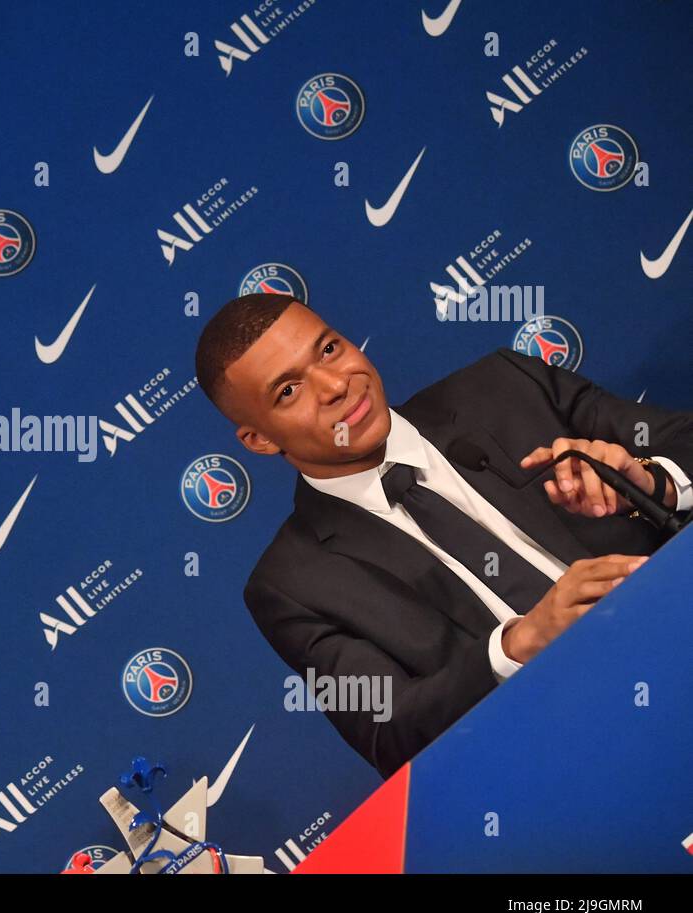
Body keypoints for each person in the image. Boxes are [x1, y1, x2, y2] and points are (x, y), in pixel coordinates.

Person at [195, 293, 693, 776]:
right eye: (288, 390)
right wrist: (519, 643)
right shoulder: (290, 586)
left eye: (329, 349)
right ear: (258, 439)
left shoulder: (501, 385)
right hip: (579, 759)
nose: (334, 385)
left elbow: (681, 442)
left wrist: (651, 485)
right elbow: (388, 733)